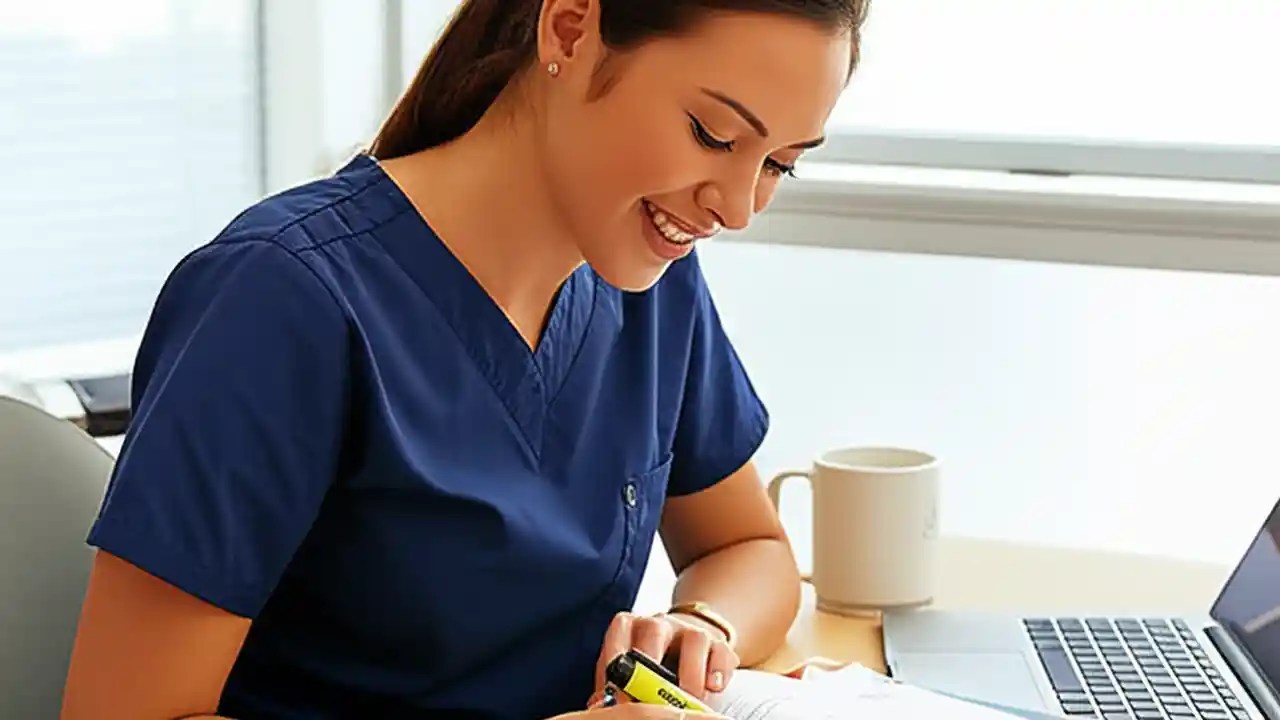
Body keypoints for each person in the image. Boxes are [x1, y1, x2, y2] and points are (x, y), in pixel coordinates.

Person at [59, 0, 868, 718]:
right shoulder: (281, 300)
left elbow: (748, 549)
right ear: (569, 27)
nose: (737, 208)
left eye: (778, 164)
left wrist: (699, 628)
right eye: (713, 135)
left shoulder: (650, 282)